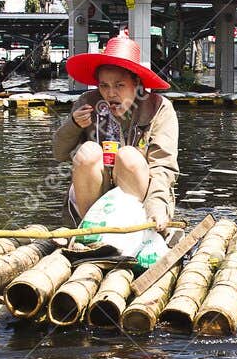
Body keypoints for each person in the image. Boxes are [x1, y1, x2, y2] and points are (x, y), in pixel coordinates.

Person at [53, 31, 178, 229]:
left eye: (120, 85)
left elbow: (163, 167)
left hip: (139, 198)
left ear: (136, 83)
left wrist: (156, 205)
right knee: (88, 152)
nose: (111, 93)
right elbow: (59, 154)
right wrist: (73, 125)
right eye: (104, 86)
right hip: (94, 196)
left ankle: (132, 228)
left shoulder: (159, 108)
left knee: (128, 155)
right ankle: (88, 230)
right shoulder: (87, 103)